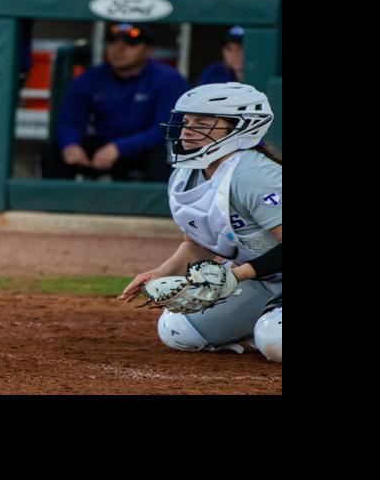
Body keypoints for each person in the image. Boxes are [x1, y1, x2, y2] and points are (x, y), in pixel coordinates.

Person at [118, 82, 281, 360]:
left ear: (242, 127)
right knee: (178, 331)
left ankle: (266, 324)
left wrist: (236, 275)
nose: (187, 130)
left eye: (202, 123)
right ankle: (261, 319)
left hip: (257, 275)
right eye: (187, 122)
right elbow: (197, 244)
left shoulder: (255, 175)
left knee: (275, 339)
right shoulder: (186, 173)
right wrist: (162, 271)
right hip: (266, 280)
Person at [43, 22, 188, 182]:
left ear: (148, 50)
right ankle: (56, 197)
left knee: (165, 154)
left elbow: (164, 129)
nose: (119, 50)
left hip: (143, 147)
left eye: (130, 44)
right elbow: (70, 120)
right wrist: (71, 145)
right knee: (54, 151)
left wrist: (119, 148)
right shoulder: (91, 78)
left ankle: (158, 198)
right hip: (103, 143)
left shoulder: (169, 80)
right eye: (112, 43)